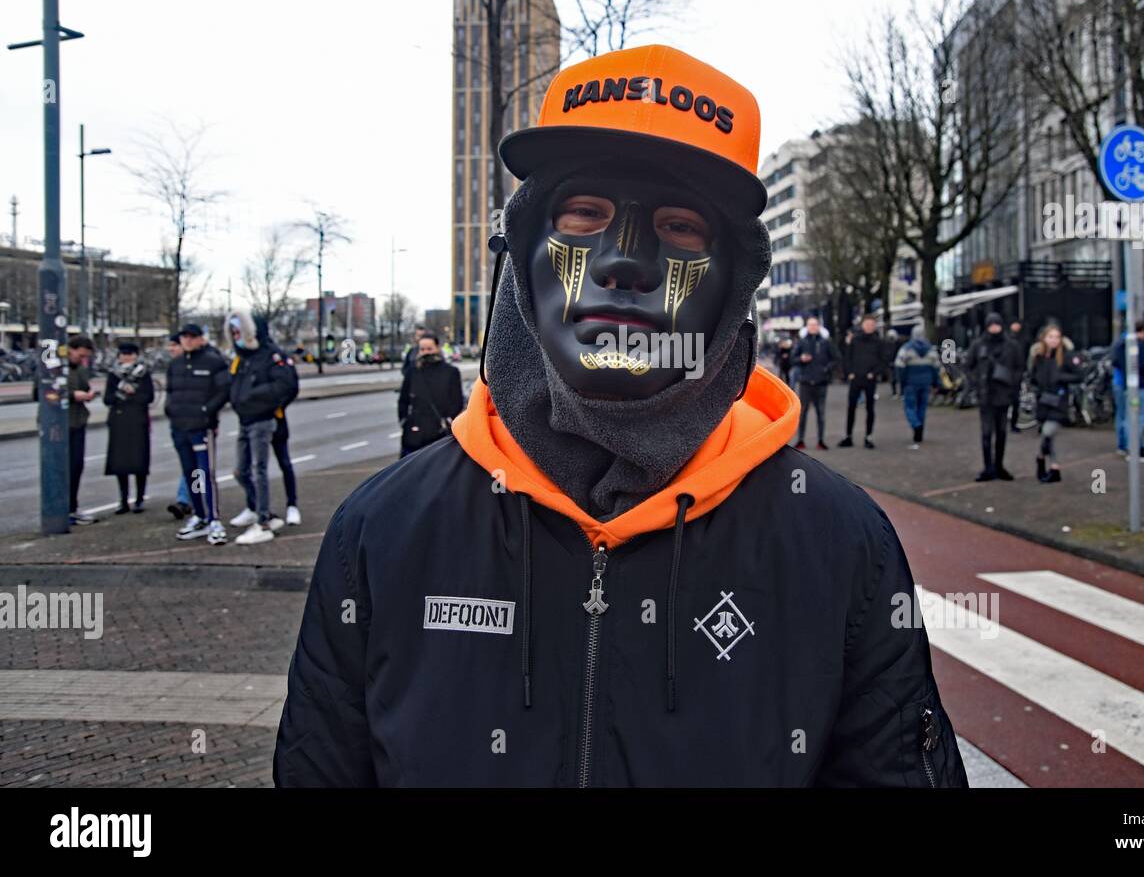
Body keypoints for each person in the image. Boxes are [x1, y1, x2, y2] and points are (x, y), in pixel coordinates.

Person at [274, 44, 966, 788]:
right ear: (520, 261)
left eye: (679, 227)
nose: (623, 260)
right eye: (583, 214)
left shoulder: (837, 543)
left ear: (735, 288)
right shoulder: (385, 532)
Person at [227, 311, 297, 545]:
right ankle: (257, 508)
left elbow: (285, 386)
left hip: (262, 420)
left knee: (261, 469)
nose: (236, 336)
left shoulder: (271, 355)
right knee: (240, 471)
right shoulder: (242, 357)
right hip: (245, 420)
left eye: (240, 331)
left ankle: (264, 520)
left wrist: (255, 400)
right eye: (233, 332)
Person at [167, 322, 231, 545]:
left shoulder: (213, 362)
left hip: (202, 428)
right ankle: (200, 514)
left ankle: (214, 518)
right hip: (180, 427)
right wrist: (171, 410)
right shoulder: (175, 365)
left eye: (192, 337)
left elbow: (224, 390)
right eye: (184, 337)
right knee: (192, 473)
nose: (187, 340)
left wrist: (207, 412)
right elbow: (170, 391)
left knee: (206, 474)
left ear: (201, 338)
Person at [966, 313, 1022, 481]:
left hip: (1004, 394)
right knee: (986, 433)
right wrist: (976, 382)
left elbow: (1019, 367)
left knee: (1002, 432)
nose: (994, 328)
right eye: (991, 325)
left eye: (997, 325)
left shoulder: (1012, 345)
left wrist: (1013, 383)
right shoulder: (978, 345)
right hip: (986, 395)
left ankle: (999, 466)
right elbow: (968, 366)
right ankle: (987, 467)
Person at [1029, 325, 1085, 483]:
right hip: (1043, 401)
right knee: (1050, 438)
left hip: (1058, 402)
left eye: (1057, 337)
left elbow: (1079, 376)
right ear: (1044, 339)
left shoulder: (1066, 356)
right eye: (1051, 337)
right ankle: (1054, 468)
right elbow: (1033, 376)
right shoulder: (1039, 357)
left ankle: (1040, 458)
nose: (1054, 340)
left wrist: (1060, 377)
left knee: (1048, 432)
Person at [103, 343, 153, 514]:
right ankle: (123, 500)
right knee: (120, 462)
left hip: (138, 420)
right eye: (123, 354)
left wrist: (133, 394)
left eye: (130, 354)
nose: (126, 357)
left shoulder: (144, 374)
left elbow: (149, 397)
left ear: (136, 355)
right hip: (119, 421)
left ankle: (139, 499)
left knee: (139, 460)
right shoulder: (114, 375)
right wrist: (120, 393)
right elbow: (107, 398)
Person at [398, 333, 463, 457]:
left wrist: (448, 420)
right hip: (415, 433)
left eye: (429, 349)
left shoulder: (451, 372)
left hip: (440, 432)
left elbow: (457, 401)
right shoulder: (412, 372)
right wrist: (404, 422)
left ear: (437, 348)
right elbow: (403, 400)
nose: (426, 352)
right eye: (422, 349)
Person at [839, 315, 889, 448]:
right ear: (862, 325)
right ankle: (848, 436)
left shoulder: (879, 342)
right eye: (867, 324)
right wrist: (849, 372)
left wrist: (874, 373)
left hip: (869, 379)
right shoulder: (855, 340)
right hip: (855, 378)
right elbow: (847, 356)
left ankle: (868, 436)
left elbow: (883, 360)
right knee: (851, 408)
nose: (869, 327)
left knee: (870, 408)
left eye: (872, 325)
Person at [792, 315, 839, 450]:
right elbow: (792, 359)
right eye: (810, 325)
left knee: (821, 413)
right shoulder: (802, 342)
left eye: (815, 324)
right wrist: (801, 359)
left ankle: (821, 440)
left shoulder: (826, 342)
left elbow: (836, 358)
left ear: (819, 326)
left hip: (821, 382)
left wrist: (826, 369)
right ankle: (800, 440)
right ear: (807, 327)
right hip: (806, 382)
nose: (812, 327)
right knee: (803, 413)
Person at [66, 335, 98, 526]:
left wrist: (88, 395)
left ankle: (72, 507)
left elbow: (85, 387)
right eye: (80, 355)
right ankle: (62, 508)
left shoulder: (81, 369)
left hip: (78, 421)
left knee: (76, 466)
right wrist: (72, 395)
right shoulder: (54, 366)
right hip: (62, 424)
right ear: (70, 349)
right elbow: (42, 392)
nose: (83, 359)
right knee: (63, 467)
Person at [1112, 319, 1144, 462]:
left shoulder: (1121, 342)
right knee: (1136, 417)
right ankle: (1133, 448)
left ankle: (1125, 446)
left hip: (1123, 384)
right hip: (1136, 385)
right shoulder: (1136, 344)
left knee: (1124, 416)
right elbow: (1140, 364)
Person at [269, 354, 302, 526]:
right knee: (250, 469)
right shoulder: (244, 358)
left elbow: (291, 386)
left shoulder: (275, 357)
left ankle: (292, 504)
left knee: (284, 463)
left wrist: (276, 406)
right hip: (251, 421)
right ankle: (258, 508)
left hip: (275, 420)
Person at [894, 326, 941, 448]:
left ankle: (916, 425)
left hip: (910, 382)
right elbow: (936, 367)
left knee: (909, 406)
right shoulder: (931, 349)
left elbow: (899, 365)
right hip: (926, 382)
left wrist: (902, 381)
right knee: (922, 407)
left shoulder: (906, 348)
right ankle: (919, 434)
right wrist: (936, 383)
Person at [163, 334, 193, 520]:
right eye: (170, 346)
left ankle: (189, 500)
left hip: (197, 423)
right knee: (188, 464)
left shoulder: (199, 364)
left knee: (197, 466)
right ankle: (190, 499)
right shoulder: (173, 367)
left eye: (175, 345)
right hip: (178, 423)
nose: (171, 349)